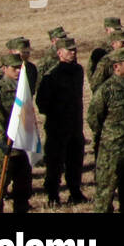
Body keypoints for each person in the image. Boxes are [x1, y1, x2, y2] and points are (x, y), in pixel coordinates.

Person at [86, 49, 124, 213]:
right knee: (106, 192)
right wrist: (108, 135)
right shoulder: (106, 89)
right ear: (117, 66)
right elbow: (93, 117)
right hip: (112, 149)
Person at [36, 36, 87, 205]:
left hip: (75, 125)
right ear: (59, 52)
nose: (73, 53)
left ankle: (75, 191)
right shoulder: (52, 76)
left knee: (75, 160)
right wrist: (57, 113)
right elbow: (42, 103)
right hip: (57, 127)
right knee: (55, 162)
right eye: (69, 50)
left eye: (74, 50)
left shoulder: (78, 71)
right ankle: (53, 195)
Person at [0, 54, 32, 213]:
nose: (18, 71)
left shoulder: (23, 88)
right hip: (5, 147)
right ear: (4, 69)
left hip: (22, 144)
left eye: (20, 68)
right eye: (14, 68)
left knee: (23, 188)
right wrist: (1, 141)